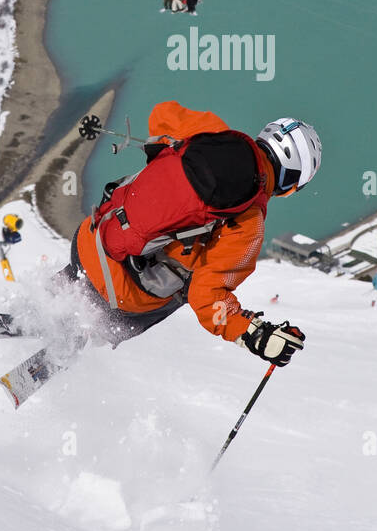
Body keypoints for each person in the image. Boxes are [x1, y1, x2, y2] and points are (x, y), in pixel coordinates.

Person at [62, 104, 321, 367]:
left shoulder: (211, 130)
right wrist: (255, 333)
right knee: (184, 289)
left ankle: (45, 303)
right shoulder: (248, 225)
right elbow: (207, 298)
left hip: (90, 239)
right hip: (121, 300)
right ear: (288, 182)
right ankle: (74, 337)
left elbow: (161, 114)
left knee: (72, 282)